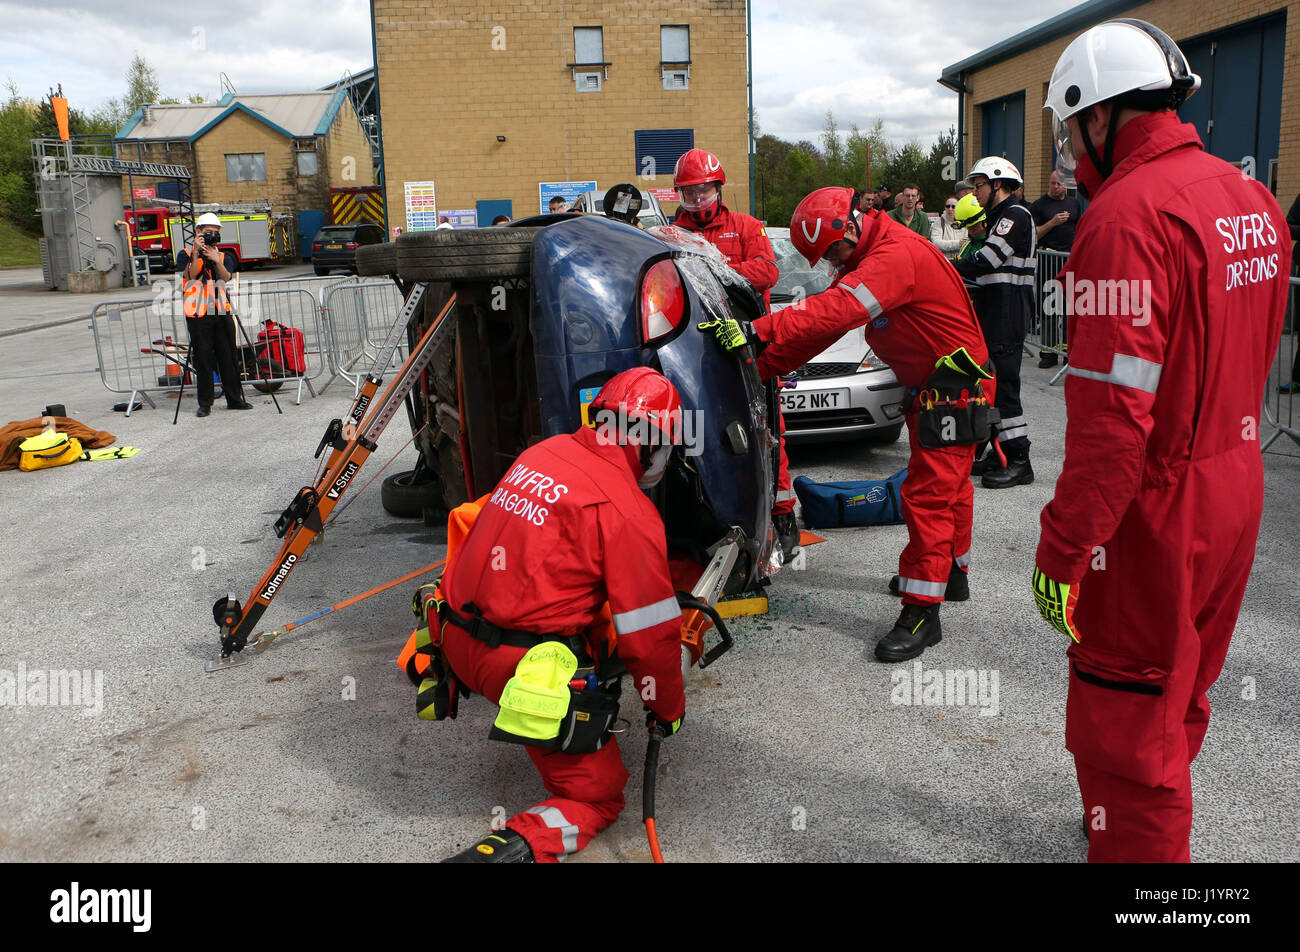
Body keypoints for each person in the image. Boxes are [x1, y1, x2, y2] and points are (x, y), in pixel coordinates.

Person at [1037, 18, 1290, 863]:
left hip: (1156, 516)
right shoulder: (1251, 200)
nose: (1073, 151)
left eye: (1073, 130)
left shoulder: (1121, 222)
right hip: (1236, 487)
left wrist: (1064, 550)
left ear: (1099, 117)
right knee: (1182, 689)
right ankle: (1121, 825)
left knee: (1127, 721)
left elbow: (1113, 430)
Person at [726, 186, 992, 662]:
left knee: (929, 495)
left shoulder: (894, 256)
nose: (830, 262)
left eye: (832, 251)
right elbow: (826, 328)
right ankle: (951, 574)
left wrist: (757, 331)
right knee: (951, 488)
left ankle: (921, 612)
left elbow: (838, 311)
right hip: (941, 385)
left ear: (849, 227)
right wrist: (760, 367)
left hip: (954, 388)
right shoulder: (870, 256)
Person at [436, 367, 687, 863]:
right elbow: (650, 638)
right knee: (598, 795)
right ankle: (499, 852)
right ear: (651, 443)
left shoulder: (541, 454)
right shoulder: (627, 511)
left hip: (450, 636)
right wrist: (666, 708)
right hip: (517, 672)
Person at [671, 148, 798, 556]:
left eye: (704, 191)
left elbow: (767, 271)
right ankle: (718, 514)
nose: (697, 201)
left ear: (718, 188)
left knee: (768, 430)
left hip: (749, 342)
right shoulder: (674, 231)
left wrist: (716, 266)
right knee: (706, 431)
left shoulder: (746, 226)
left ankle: (782, 511)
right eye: (689, 194)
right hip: (700, 348)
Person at [953, 157, 1036, 488]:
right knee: (989, 388)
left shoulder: (1014, 215)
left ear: (997, 184)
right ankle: (997, 450)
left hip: (1008, 313)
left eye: (979, 185)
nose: (976, 191)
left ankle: (1019, 459)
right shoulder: (999, 216)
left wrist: (946, 266)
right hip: (995, 312)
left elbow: (986, 260)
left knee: (1004, 390)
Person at [174, 212, 252, 417]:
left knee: (229, 357)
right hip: (198, 314)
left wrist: (215, 259)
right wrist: (197, 253)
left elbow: (225, 277)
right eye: (208, 232)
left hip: (221, 311)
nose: (211, 236)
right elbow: (190, 277)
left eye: (215, 233)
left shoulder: (223, 255)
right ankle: (205, 404)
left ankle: (234, 399)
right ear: (198, 232)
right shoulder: (185, 254)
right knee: (204, 360)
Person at [1030, 171, 1085, 367]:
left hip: (1069, 261)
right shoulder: (1039, 205)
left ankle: (1067, 351)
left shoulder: (1074, 203)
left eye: (1059, 184)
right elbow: (1034, 233)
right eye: (1052, 183)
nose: (1055, 187)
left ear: (1066, 185)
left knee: (1070, 307)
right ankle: (1048, 353)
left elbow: (1080, 228)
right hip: (1048, 260)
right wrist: (1053, 223)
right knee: (1049, 307)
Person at [932, 195, 966, 260]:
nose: (950, 209)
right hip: (944, 262)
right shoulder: (938, 222)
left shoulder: (965, 223)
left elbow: (968, 243)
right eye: (947, 206)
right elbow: (936, 243)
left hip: (962, 262)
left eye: (953, 207)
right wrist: (958, 243)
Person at [953, 194, 987, 260]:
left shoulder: (992, 246)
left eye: (975, 226)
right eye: (968, 227)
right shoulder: (969, 245)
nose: (971, 231)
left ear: (985, 222)